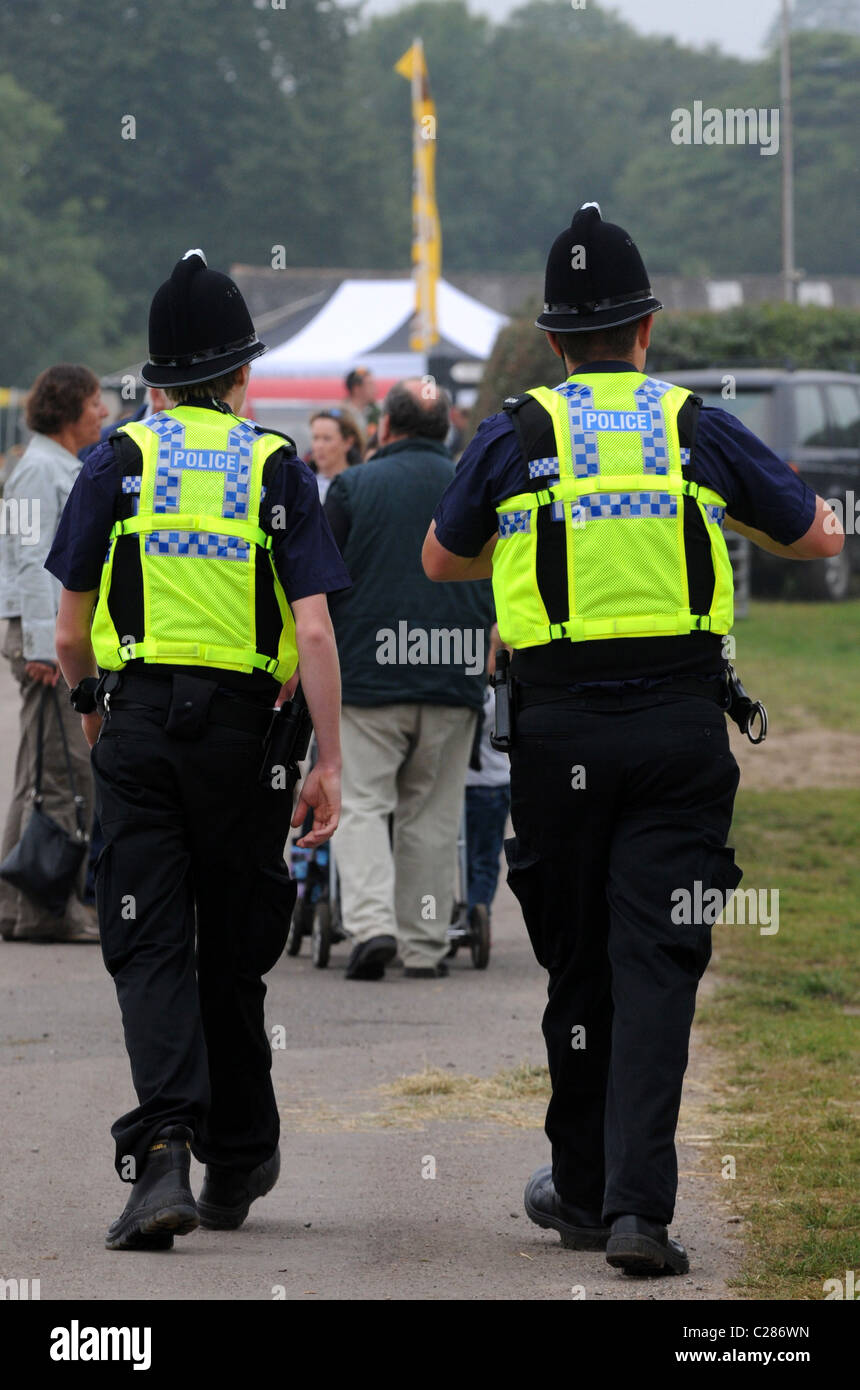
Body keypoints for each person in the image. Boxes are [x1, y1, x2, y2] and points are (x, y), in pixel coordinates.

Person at [422, 203, 843, 1274]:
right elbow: (811, 531)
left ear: (555, 342)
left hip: (556, 734)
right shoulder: (693, 427)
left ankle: (575, 1184)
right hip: (675, 731)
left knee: (576, 966)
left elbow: (439, 561)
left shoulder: (517, 432)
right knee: (655, 961)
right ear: (646, 329)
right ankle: (636, 1213)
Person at [45, 248, 348, 1250]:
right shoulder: (277, 467)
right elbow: (311, 631)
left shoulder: (116, 461)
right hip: (247, 744)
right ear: (240, 377)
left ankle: (167, 1153)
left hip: (138, 730)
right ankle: (241, 1149)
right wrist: (328, 761)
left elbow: (69, 630)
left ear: (156, 381)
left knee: (146, 942)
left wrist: (99, 723)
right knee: (232, 951)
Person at [324, 379, 492, 980]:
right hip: (455, 674)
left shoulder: (352, 486)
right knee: (433, 813)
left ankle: (371, 927)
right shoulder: (476, 487)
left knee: (364, 804)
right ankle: (425, 944)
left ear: (383, 429)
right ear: (446, 431)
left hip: (368, 677)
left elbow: (318, 584)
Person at [0, 364, 107, 943]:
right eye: (94, 403)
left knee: (38, 773)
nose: (104, 412)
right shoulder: (42, 470)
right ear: (69, 409)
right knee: (64, 773)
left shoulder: (44, 465)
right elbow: (33, 561)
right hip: (46, 640)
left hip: (41, 633)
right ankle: (44, 910)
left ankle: (18, 904)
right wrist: (45, 646)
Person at [309, 408, 364, 501]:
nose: (319, 446)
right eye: (315, 438)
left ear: (348, 443)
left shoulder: (361, 483)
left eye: (327, 438)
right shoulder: (301, 481)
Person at [344, 365, 380, 448]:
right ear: (356, 389)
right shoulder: (341, 415)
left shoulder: (377, 413)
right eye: (370, 385)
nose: (375, 389)